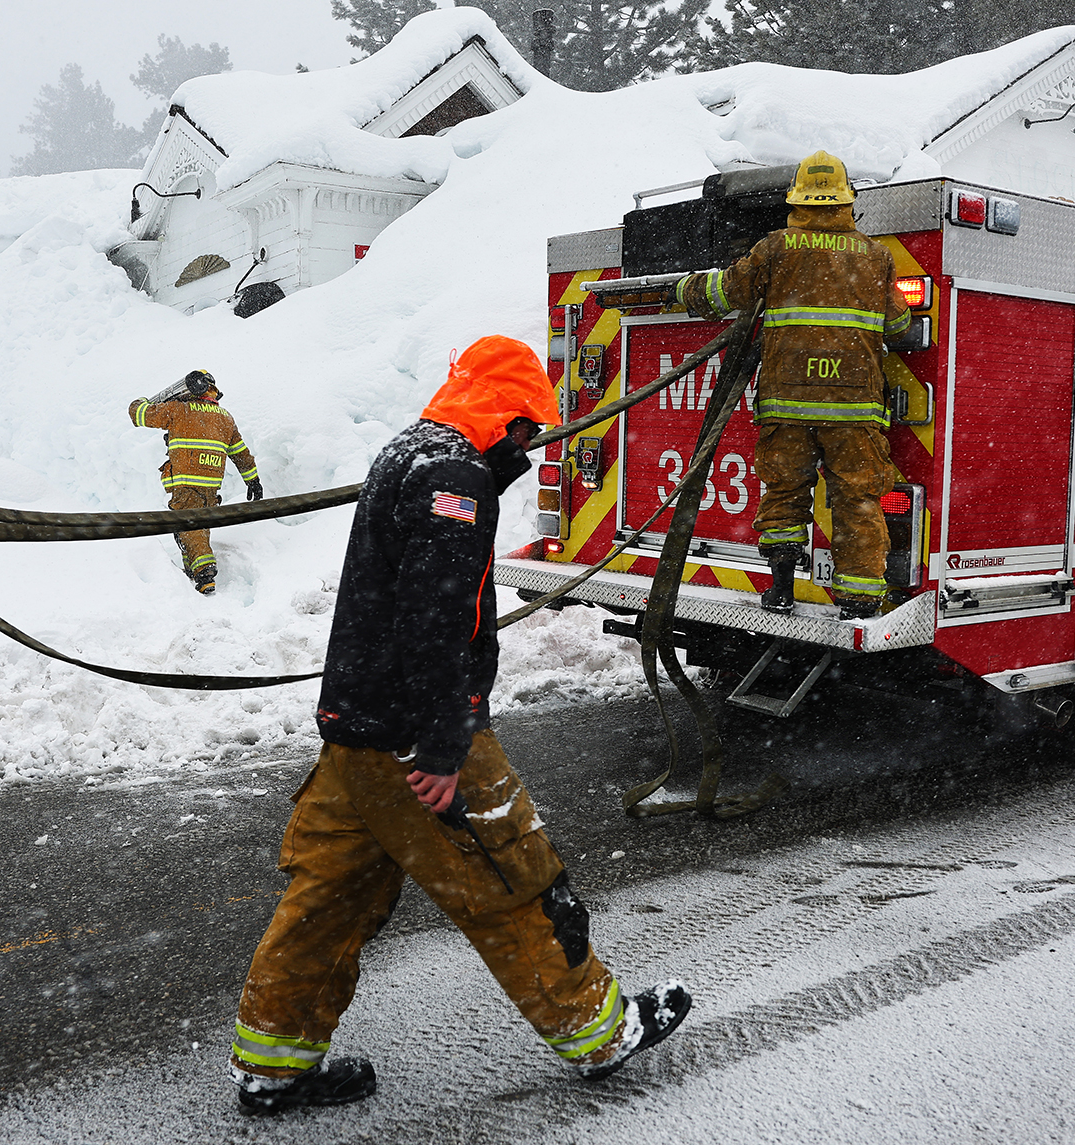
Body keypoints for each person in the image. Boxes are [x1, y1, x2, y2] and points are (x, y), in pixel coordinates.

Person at [227, 336, 692, 1113]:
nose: (526, 449)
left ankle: (272, 1063)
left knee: (328, 901)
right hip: (416, 737)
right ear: (505, 417)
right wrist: (442, 746)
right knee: (512, 878)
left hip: (357, 731)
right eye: (526, 434)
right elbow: (435, 622)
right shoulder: (456, 479)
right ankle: (599, 1032)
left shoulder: (407, 451)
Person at [676, 150, 912, 620]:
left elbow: (726, 293)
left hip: (787, 402)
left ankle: (781, 588)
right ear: (847, 201)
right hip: (854, 407)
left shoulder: (775, 248)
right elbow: (899, 324)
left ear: (797, 200)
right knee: (858, 499)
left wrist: (684, 289)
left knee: (785, 489)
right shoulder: (876, 256)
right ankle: (860, 601)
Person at [129, 369, 262, 595]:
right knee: (195, 526)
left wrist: (143, 401)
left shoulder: (177, 410)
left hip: (185, 482)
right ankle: (192, 571)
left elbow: (138, 415)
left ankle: (204, 572)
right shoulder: (225, 418)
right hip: (211, 485)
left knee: (188, 524)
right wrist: (253, 480)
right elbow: (240, 453)